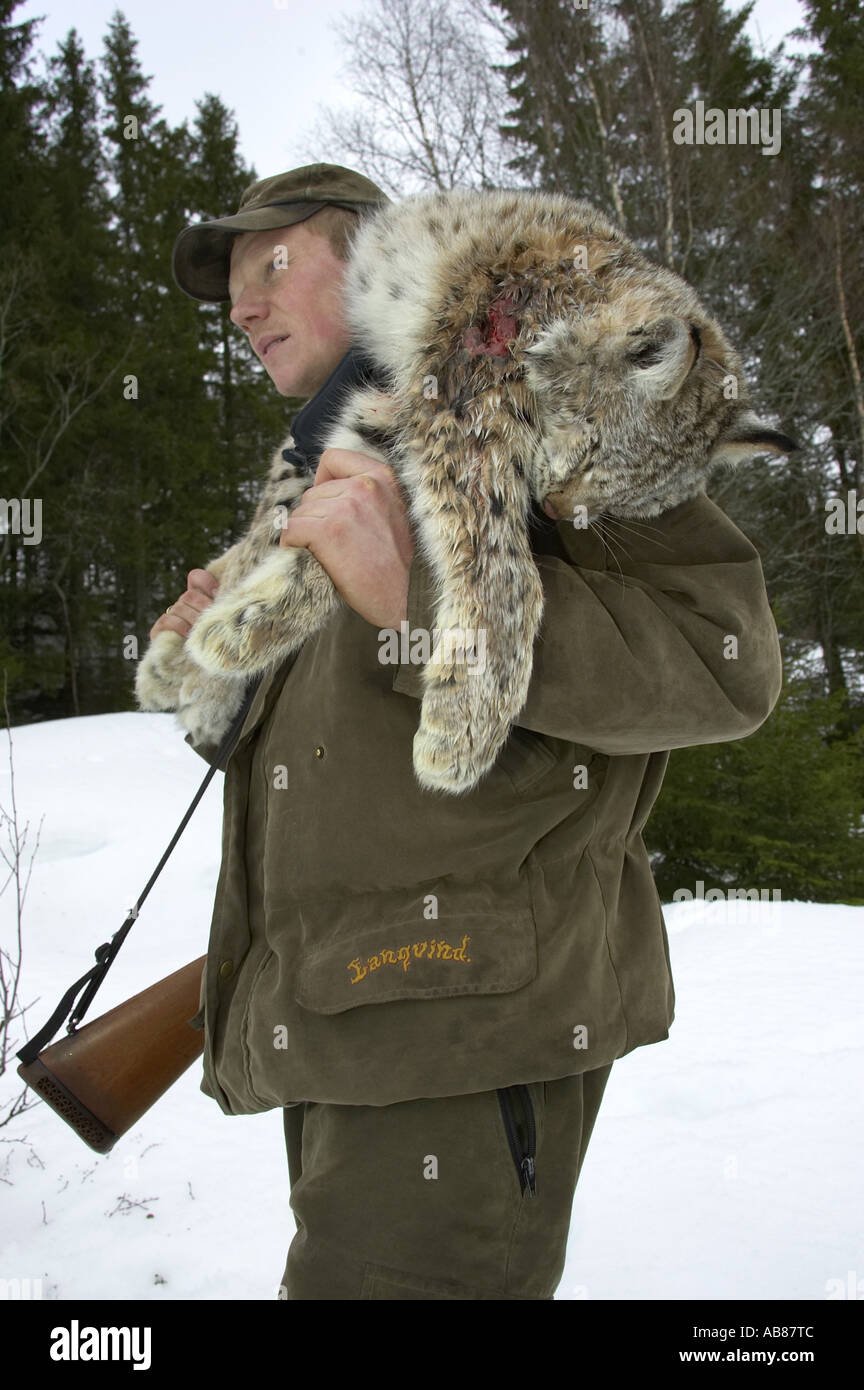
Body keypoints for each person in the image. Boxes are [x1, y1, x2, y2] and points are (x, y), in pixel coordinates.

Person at [149, 163, 783, 1300]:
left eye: (272, 266)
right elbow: (337, 750)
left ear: (370, 251)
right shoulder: (317, 460)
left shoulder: (557, 373)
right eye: (232, 288)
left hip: (464, 1028)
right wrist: (223, 662)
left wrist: (426, 600)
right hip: (343, 1020)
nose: (243, 307)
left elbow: (721, 661)